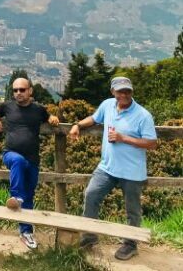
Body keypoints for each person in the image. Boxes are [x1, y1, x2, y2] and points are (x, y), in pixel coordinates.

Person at [70, 76, 157, 261]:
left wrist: (123, 138)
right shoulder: (108, 105)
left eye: (127, 91)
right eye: (120, 91)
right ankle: (89, 237)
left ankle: (130, 244)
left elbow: (151, 143)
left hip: (132, 172)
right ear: (113, 92)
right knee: (91, 195)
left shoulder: (143, 115)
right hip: (107, 167)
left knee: (132, 210)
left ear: (132, 92)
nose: (124, 94)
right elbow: (94, 118)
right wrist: (77, 125)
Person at [0, 77, 60, 249]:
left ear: (30, 91)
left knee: (29, 195)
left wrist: (52, 118)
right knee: (18, 163)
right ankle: (15, 197)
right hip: (11, 155)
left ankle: (26, 231)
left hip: (33, 159)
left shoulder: (38, 109)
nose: (18, 93)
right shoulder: (7, 106)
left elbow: (49, 116)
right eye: (15, 90)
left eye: (22, 90)